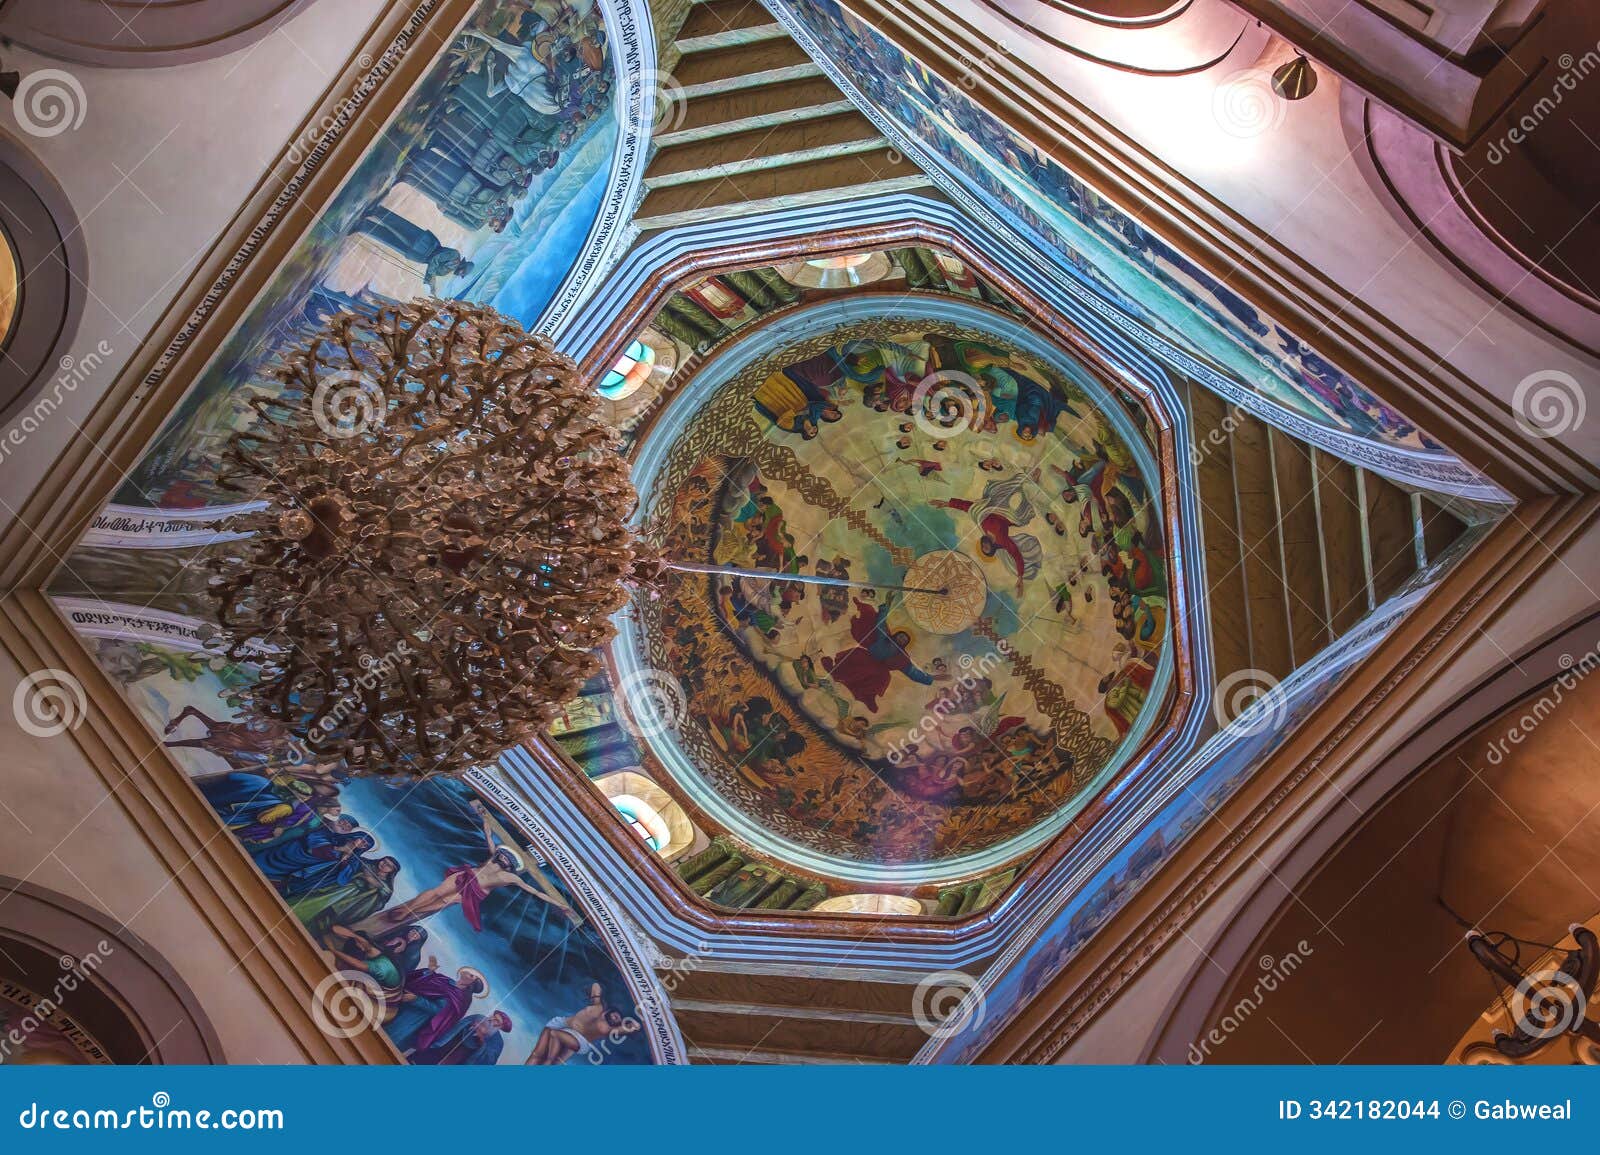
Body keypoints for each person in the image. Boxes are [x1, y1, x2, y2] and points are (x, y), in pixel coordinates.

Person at [352, 802, 572, 934]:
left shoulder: (510, 878)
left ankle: (413, 913)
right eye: (503, 855)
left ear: (511, 865)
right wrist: (484, 816)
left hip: (474, 891)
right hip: (466, 876)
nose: (502, 858)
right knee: (437, 892)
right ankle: (406, 911)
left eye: (506, 859)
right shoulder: (494, 856)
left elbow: (534, 891)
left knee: (443, 902)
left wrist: (559, 905)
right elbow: (489, 836)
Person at [525, 982, 639, 1065]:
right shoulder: (598, 1006)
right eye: (617, 1015)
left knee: (553, 1050)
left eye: (619, 1019)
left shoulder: (610, 1029)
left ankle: (548, 1063)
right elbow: (596, 985)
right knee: (537, 1054)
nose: (616, 1018)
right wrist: (595, 995)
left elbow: (635, 1027)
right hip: (563, 1024)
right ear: (611, 1010)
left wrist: (631, 1023)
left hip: (580, 1040)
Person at [412, 1011, 512, 1065]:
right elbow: (457, 1026)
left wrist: (482, 1041)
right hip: (447, 1045)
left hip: (461, 1058)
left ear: (501, 1027)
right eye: (493, 1016)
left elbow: (489, 1061)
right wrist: (470, 1025)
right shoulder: (478, 1017)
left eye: (496, 1021)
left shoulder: (498, 1042)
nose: (491, 1019)